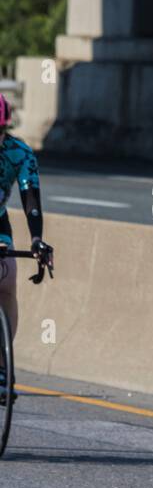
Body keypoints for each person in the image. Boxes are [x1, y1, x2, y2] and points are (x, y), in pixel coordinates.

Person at [0, 93, 54, 366]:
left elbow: (30, 198)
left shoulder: (19, 154)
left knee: (6, 283)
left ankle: (1, 366)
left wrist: (36, 240)